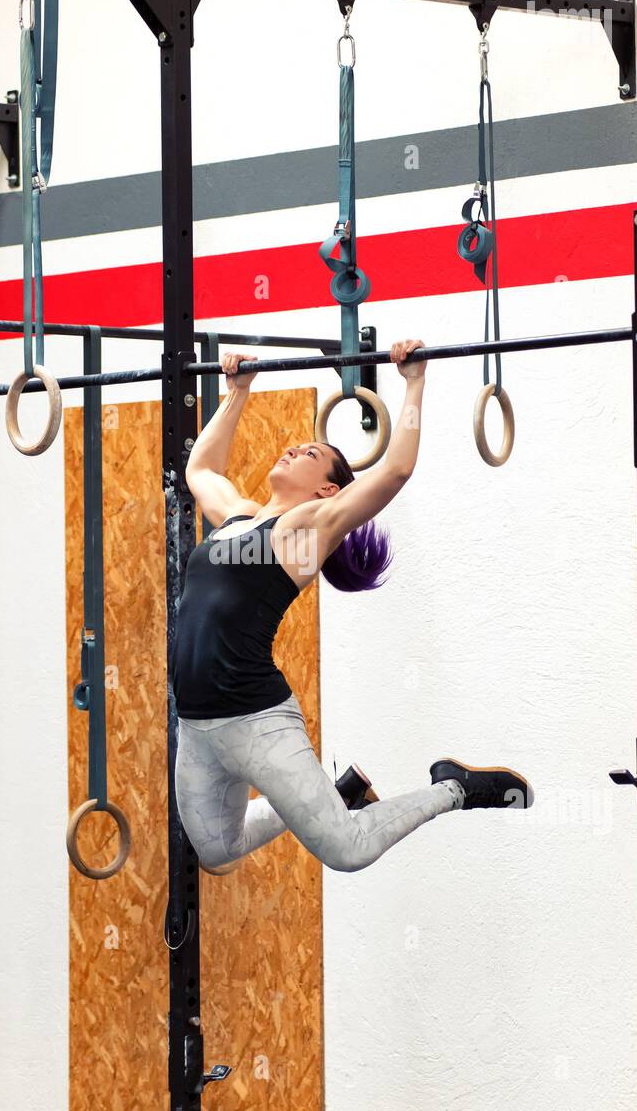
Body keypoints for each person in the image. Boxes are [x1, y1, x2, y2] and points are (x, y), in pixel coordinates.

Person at [169, 339, 533, 876]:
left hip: (256, 721)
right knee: (218, 853)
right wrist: (236, 394)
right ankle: (340, 792)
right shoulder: (238, 519)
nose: (293, 449)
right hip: (196, 726)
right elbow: (201, 471)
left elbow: (396, 471)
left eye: (310, 454)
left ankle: (454, 788)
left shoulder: (305, 532)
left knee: (349, 851)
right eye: (294, 446)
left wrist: (414, 383)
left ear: (326, 490)